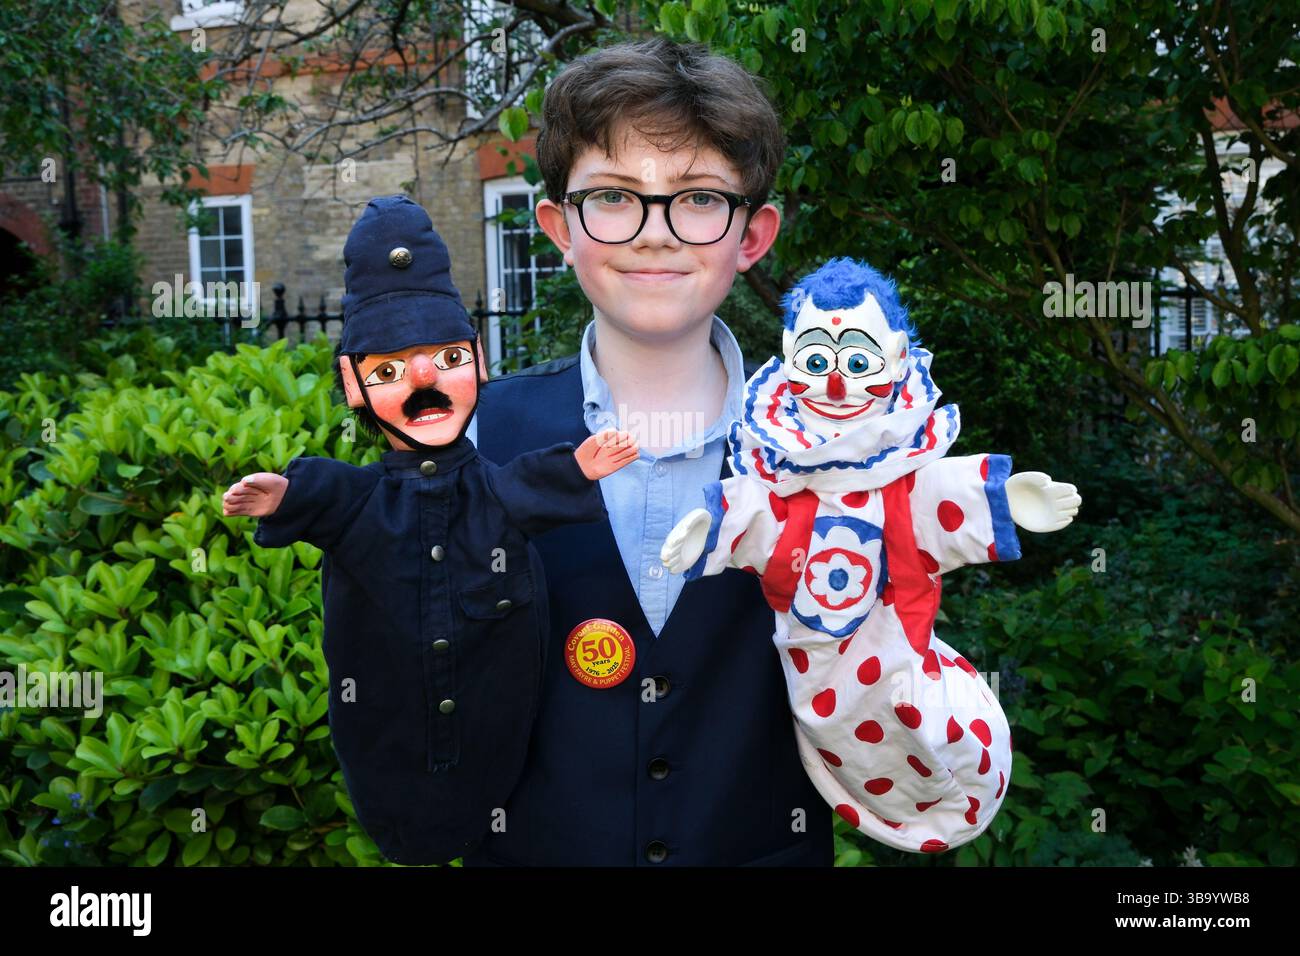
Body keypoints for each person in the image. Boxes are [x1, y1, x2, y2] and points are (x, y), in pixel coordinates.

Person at [462, 37, 836, 865]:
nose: (657, 234)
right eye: (616, 197)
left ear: (753, 234)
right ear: (560, 227)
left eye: (699, 198)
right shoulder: (482, 436)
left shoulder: (838, 449)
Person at [220, 195, 638, 865]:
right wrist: (283, 497)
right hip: (391, 755)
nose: (422, 380)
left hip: (507, 755)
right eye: (388, 370)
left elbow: (524, 484)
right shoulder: (358, 504)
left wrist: (580, 464)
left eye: (445, 358)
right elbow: (329, 492)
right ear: (352, 386)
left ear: (476, 356)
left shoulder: (495, 491)